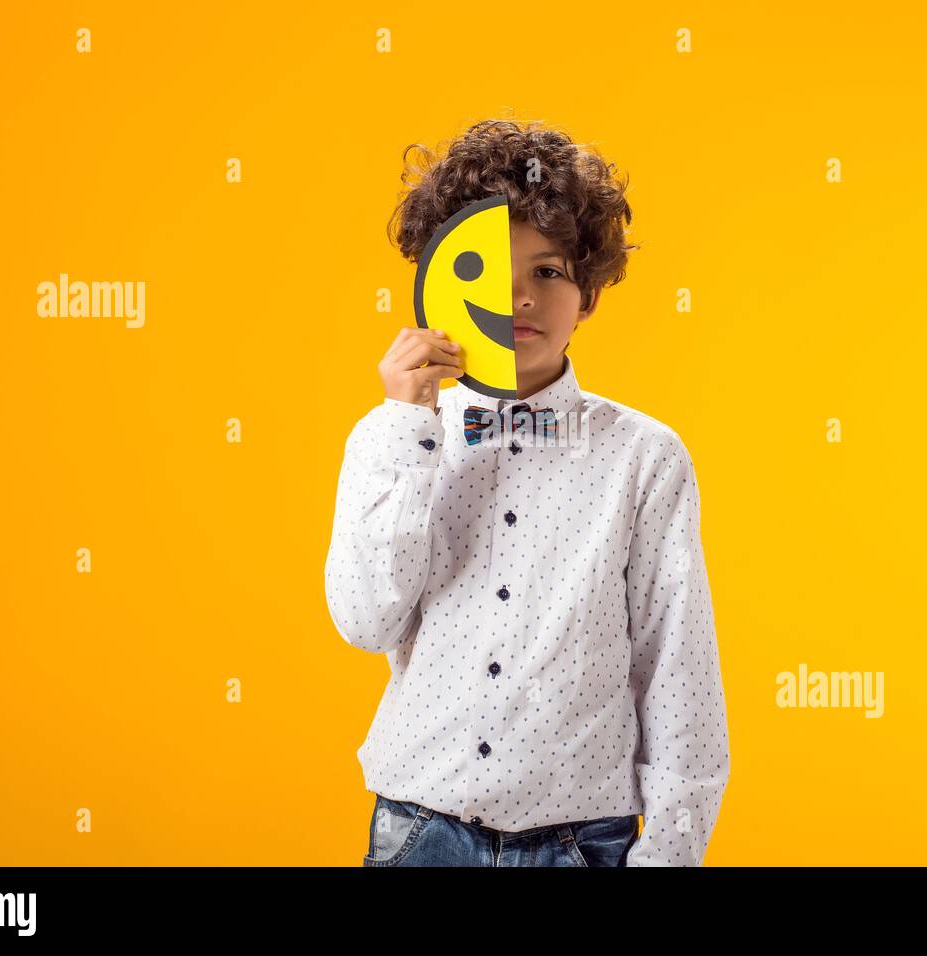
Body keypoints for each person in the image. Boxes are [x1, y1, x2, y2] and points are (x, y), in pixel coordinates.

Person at [325, 118, 731, 866]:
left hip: (581, 843)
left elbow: (679, 673)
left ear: (589, 291)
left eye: (547, 273)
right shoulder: (394, 440)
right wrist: (407, 427)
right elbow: (365, 620)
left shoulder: (645, 459)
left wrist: (669, 854)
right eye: (485, 275)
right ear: (439, 282)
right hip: (420, 831)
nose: (519, 301)